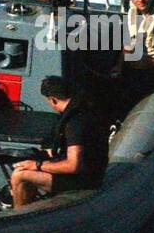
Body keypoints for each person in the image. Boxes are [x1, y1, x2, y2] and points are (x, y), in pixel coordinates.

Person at [9, 75, 108, 207]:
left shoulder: (74, 123)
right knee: (26, 166)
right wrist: (42, 154)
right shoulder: (83, 110)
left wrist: (36, 165)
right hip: (92, 173)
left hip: (84, 181)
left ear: (53, 100)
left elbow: (74, 165)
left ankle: (20, 220)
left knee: (19, 176)